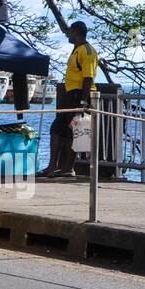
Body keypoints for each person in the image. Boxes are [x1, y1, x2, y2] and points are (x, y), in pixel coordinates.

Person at [44, 21, 99, 178]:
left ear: (76, 32)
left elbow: (88, 77)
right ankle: (54, 166)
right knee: (58, 130)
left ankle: (67, 168)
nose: (67, 35)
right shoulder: (77, 50)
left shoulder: (87, 51)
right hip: (69, 93)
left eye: (69, 32)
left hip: (79, 95)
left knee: (73, 132)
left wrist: (83, 101)